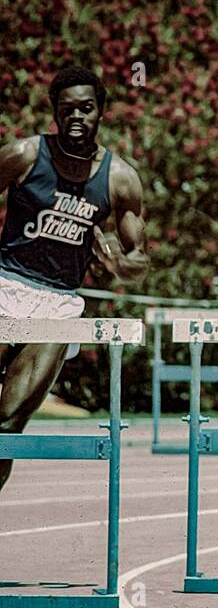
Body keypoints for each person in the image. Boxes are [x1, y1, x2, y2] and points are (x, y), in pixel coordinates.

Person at [0, 65, 148, 493]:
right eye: (68, 110)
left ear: (101, 112)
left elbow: (140, 259)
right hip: (6, 284)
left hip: (58, 303)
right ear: (55, 112)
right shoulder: (25, 155)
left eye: (87, 108)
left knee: (8, 423)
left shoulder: (120, 179)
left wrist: (120, 265)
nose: (77, 117)